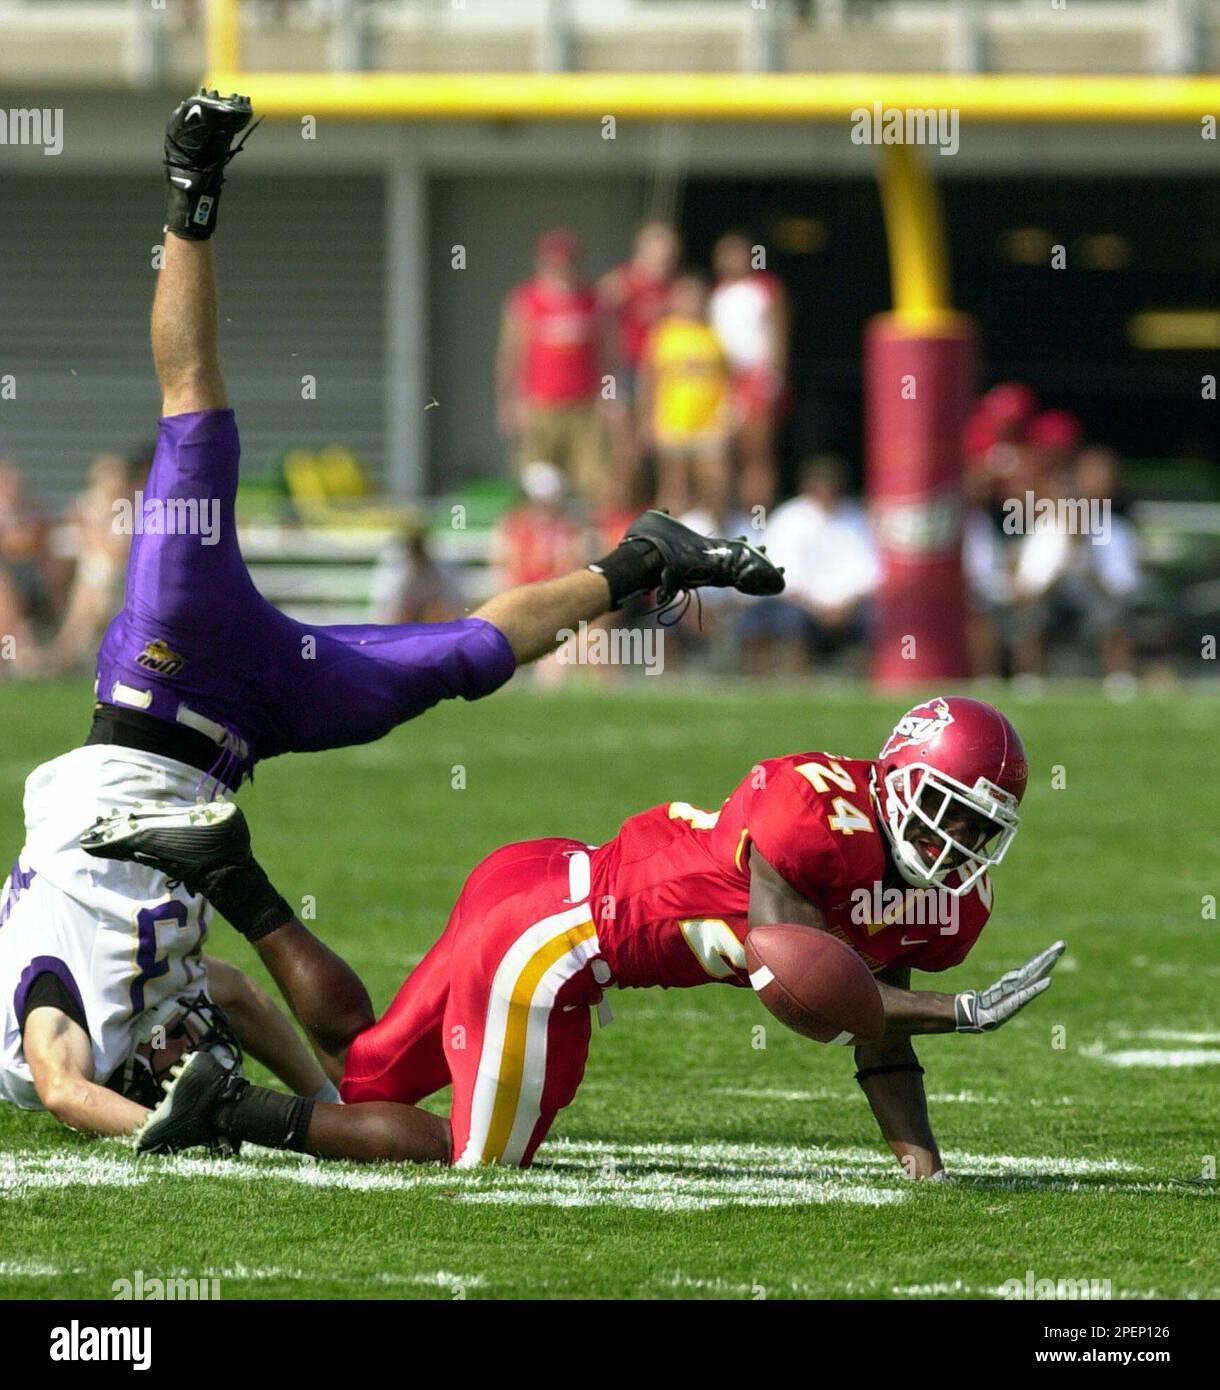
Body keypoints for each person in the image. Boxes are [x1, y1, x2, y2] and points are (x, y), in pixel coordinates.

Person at [0, 89, 784, 1142]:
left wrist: (171, 1126)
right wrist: (315, 1107)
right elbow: (232, 991)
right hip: (246, 728)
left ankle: (191, 188)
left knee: (196, 416)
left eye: (170, 1066)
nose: (186, 1054)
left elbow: (60, 1087)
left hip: (158, 672)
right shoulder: (163, 1011)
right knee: (456, 660)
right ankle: (645, 557)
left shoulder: (59, 1039)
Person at [92, 697, 1063, 1179]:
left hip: (534, 882)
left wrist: (922, 1168)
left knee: (365, 1077)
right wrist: (958, 1008)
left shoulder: (936, 896)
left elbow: (870, 1025)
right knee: (475, 1159)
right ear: (895, 776)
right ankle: (230, 1112)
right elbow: (799, 983)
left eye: (980, 830)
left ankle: (237, 877)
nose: (957, 845)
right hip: (552, 948)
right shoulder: (811, 807)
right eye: (945, 812)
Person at [496, 229, 610, 508]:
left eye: (569, 262)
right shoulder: (526, 300)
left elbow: (608, 355)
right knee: (539, 481)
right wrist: (508, 402)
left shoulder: (593, 300)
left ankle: (586, 542)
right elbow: (510, 355)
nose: (562, 269)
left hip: (584, 405)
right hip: (540, 404)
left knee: (593, 480)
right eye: (554, 263)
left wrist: (609, 398)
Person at [738, 456, 878, 675]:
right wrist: (816, 607)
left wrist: (845, 605)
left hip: (848, 607)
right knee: (788, 617)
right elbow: (780, 573)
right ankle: (794, 680)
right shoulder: (788, 518)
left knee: (878, 614)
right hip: (800, 604)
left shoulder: (855, 518)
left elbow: (869, 570)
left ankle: (871, 678)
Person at [637, 272, 732, 519]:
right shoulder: (663, 334)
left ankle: (713, 537)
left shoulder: (715, 334)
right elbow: (648, 379)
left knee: (713, 482)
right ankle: (669, 538)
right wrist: (647, 418)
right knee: (674, 485)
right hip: (673, 420)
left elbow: (728, 377)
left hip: (710, 422)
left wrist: (729, 411)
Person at [709, 231, 789, 510]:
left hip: (756, 378)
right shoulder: (717, 292)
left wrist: (773, 378)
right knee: (726, 452)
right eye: (725, 254)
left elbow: (779, 334)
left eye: (737, 253)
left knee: (758, 452)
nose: (730, 260)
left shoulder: (764, 288)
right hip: (722, 380)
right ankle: (728, 513)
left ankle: (757, 514)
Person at [597, 219, 681, 482]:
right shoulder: (622, 281)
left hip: (662, 373)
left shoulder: (675, 288)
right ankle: (618, 505)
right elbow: (595, 314)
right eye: (658, 248)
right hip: (625, 369)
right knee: (623, 443)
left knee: (657, 442)